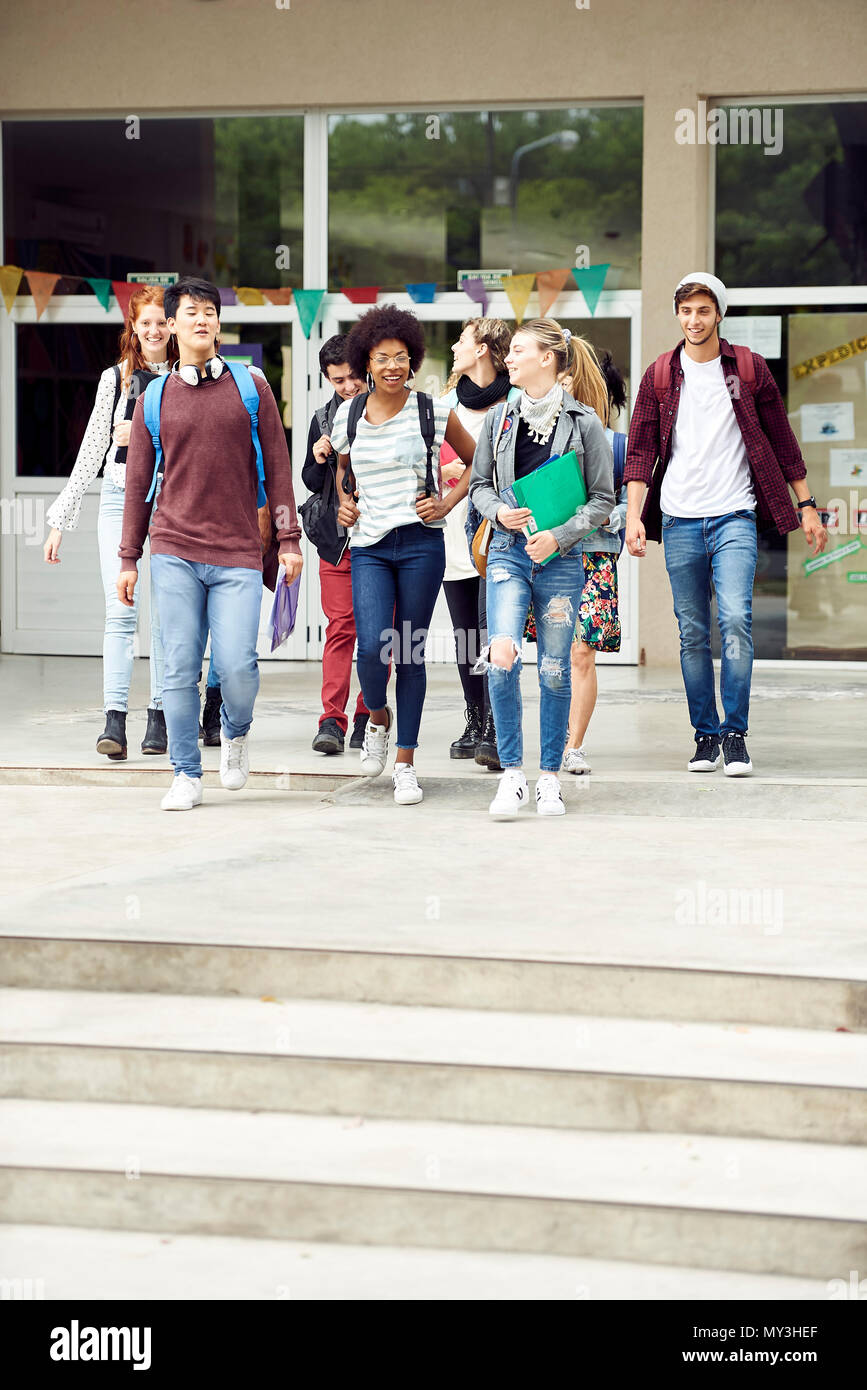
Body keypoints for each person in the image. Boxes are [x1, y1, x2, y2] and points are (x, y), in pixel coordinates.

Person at [624, 272, 827, 776]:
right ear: (678, 315)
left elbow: (781, 441)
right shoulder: (661, 377)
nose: (694, 320)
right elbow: (641, 450)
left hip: (735, 514)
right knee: (692, 632)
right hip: (679, 520)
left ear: (719, 314)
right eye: (686, 311)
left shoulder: (747, 371)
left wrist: (808, 505)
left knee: (735, 619)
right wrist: (632, 516)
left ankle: (735, 735)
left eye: (703, 310)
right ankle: (705, 736)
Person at [117, 277, 303, 810]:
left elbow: (279, 466)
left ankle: (235, 730)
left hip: (239, 551)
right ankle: (185, 771)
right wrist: (129, 556)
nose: (202, 320)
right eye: (191, 312)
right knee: (177, 665)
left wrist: (288, 540)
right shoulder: (154, 396)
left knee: (238, 663)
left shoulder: (251, 386)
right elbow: (137, 483)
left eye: (210, 312)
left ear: (218, 324)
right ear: (170, 325)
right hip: (173, 547)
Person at [469, 318, 615, 819]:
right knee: (503, 653)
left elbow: (602, 500)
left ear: (548, 359)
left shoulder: (585, 423)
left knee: (554, 671)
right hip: (509, 553)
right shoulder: (498, 419)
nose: (507, 359)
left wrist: (561, 535)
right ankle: (512, 774)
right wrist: (497, 512)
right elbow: (478, 487)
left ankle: (548, 777)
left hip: (561, 561)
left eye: (518, 351)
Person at [332, 305, 477, 806]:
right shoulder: (347, 413)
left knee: (410, 653)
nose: (392, 366)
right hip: (370, 546)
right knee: (371, 648)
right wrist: (346, 504)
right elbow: (344, 472)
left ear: (412, 359)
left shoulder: (432, 410)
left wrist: (447, 500)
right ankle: (377, 716)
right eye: (381, 357)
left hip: (420, 544)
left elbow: (478, 461)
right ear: (366, 363)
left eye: (400, 357)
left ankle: (406, 763)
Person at [43, 287, 177, 760]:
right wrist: (63, 515)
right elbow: (92, 448)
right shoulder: (114, 379)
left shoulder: (188, 377)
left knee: (164, 617)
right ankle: (114, 720)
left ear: (175, 324)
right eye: (147, 323)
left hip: (171, 506)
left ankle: (159, 715)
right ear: (133, 327)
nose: (155, 330)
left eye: (163, 321)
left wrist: (142, 430)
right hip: (120, 500)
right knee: (119, 612)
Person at [440, 317, 514, 763]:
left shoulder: (516, 399)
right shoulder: (446, 403)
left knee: (492, 631)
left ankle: (493, 723)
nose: (454, 346)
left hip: (498, 533)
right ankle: (473, 717)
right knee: (465, 633)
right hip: (452, 533)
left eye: (462, 340)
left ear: (483, 348)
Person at [562, 348, 629, 775]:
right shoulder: (545, 439)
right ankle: (555, 739)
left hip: (597, 557)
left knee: (583, 653)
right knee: (558, 653)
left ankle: (573, 746)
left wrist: (609, 513)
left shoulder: (618, 445)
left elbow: (628, 505)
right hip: (554, 555)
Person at [300, 335, 368, 755]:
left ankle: (368, 715)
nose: (348, 386)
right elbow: (309, 482)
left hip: (382, 536)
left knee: (380, 634)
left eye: (353, 377)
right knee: (340, 628)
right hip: (336, 542)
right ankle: (331, 719)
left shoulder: (390, 410)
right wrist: (319, 456)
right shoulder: (322, 418)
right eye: (338, 380)